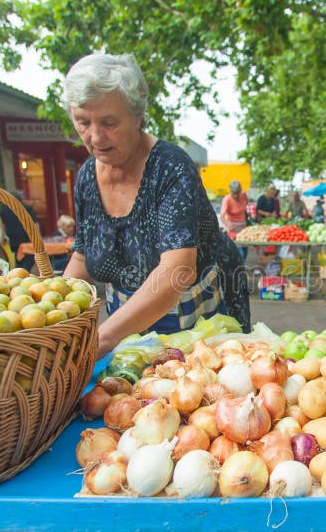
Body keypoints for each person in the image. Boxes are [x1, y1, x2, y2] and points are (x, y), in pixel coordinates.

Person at [60, 53, 250, 358]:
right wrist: (54, 313)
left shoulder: (170, 167)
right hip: (124, 322)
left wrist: (101, 340)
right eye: (82, 122)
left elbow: (178, 270)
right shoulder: (85, 177)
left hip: (191, 315)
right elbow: (82, 260)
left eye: (109, 123)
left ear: (137, 116)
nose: (94, 137)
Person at [0, 189, 39, 271]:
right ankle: (24, 273)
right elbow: (35, 224)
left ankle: (20, 272)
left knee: (18, 259)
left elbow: (2, 226)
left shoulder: (4, 211)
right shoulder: (27, 209)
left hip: (13, 240)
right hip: (27, 238)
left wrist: (3, 236)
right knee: (28, 260)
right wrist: (38, 237)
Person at [220, 180, 249, 261]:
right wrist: (228, 224)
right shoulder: (227, 199)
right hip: (232, 227)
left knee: (245, 250)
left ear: (240, 191)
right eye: (234, 193)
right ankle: (239, 270)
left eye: (237, 193)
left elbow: (246, 203)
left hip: (243, 226)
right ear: (230, 191)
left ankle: (240, 266)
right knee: (240, 253)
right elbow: (222, 216)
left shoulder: (243, 195)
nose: (236, 195)